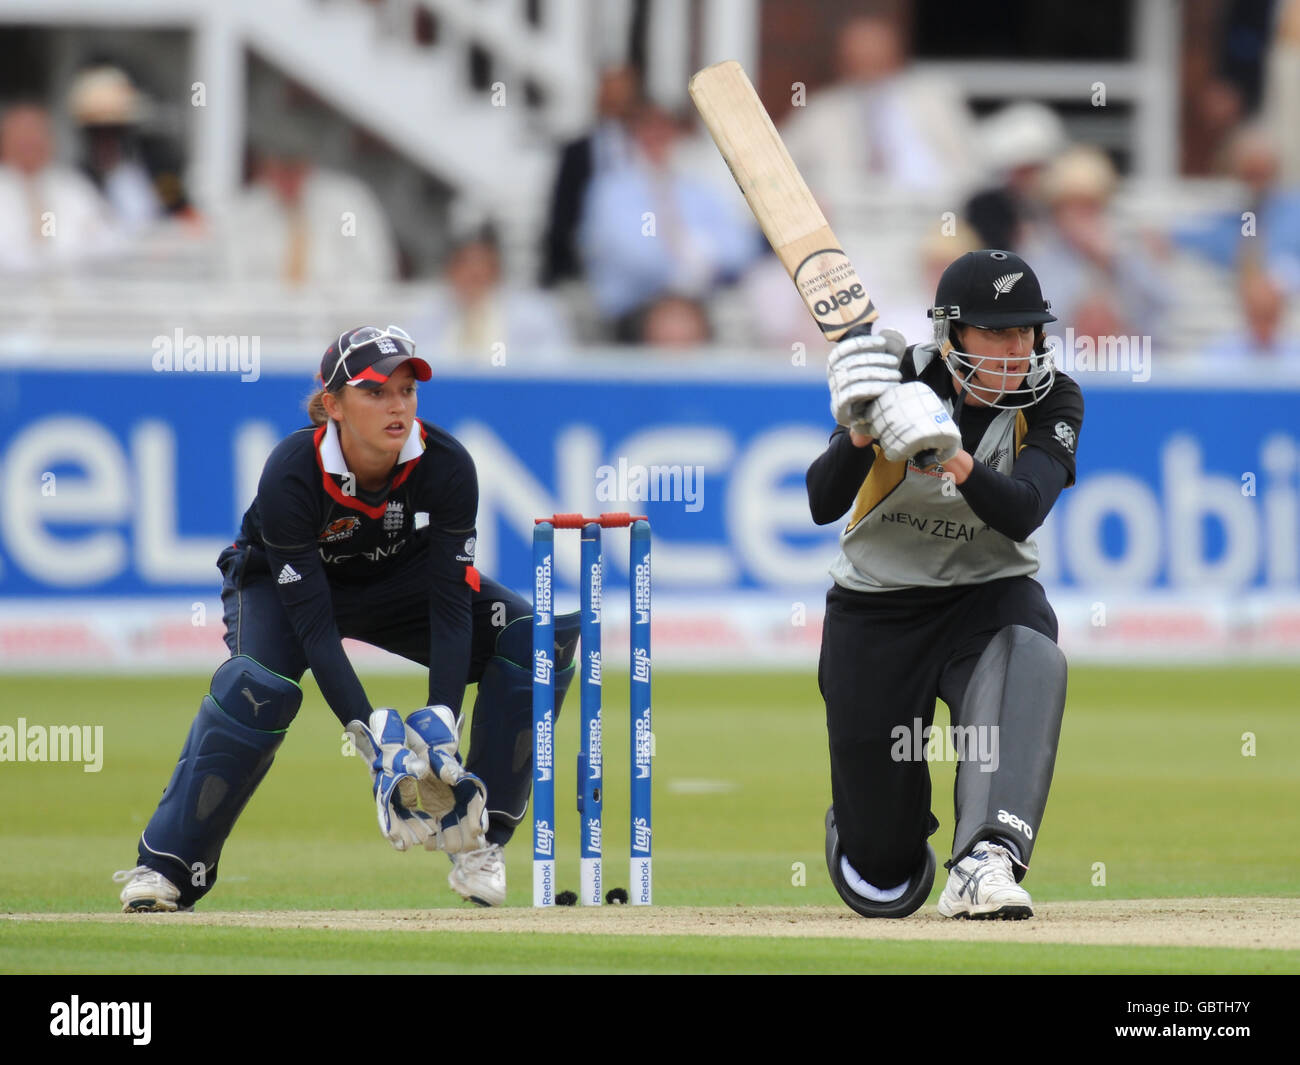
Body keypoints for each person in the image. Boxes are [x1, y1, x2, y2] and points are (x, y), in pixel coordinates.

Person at [113, 326, 578, 912]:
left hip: (399, 584)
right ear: (332, 406)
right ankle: (166, 870)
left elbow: (450, 600)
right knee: (257, 687)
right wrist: (371, 738)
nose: (398, 406)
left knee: (537, 643)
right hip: (284, 589)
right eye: (377, 392)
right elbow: (313, 627)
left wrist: (441, 718)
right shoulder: (292, 470)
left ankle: (476, 836)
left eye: (407, 390)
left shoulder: (448, 464)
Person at [807, 250, 1083, 919]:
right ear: (953, 333)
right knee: (881, 873)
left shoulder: (1057, 398)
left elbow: (1023, 507)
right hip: (876, 606)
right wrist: (860, 432)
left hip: (989, 596)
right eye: (998, 332)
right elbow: (821, 500)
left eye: (1027, 332)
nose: (1017, 349)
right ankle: (878, 833)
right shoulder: (900, 377)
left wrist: (950, 455)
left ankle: (987, 857)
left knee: (1028, 654)